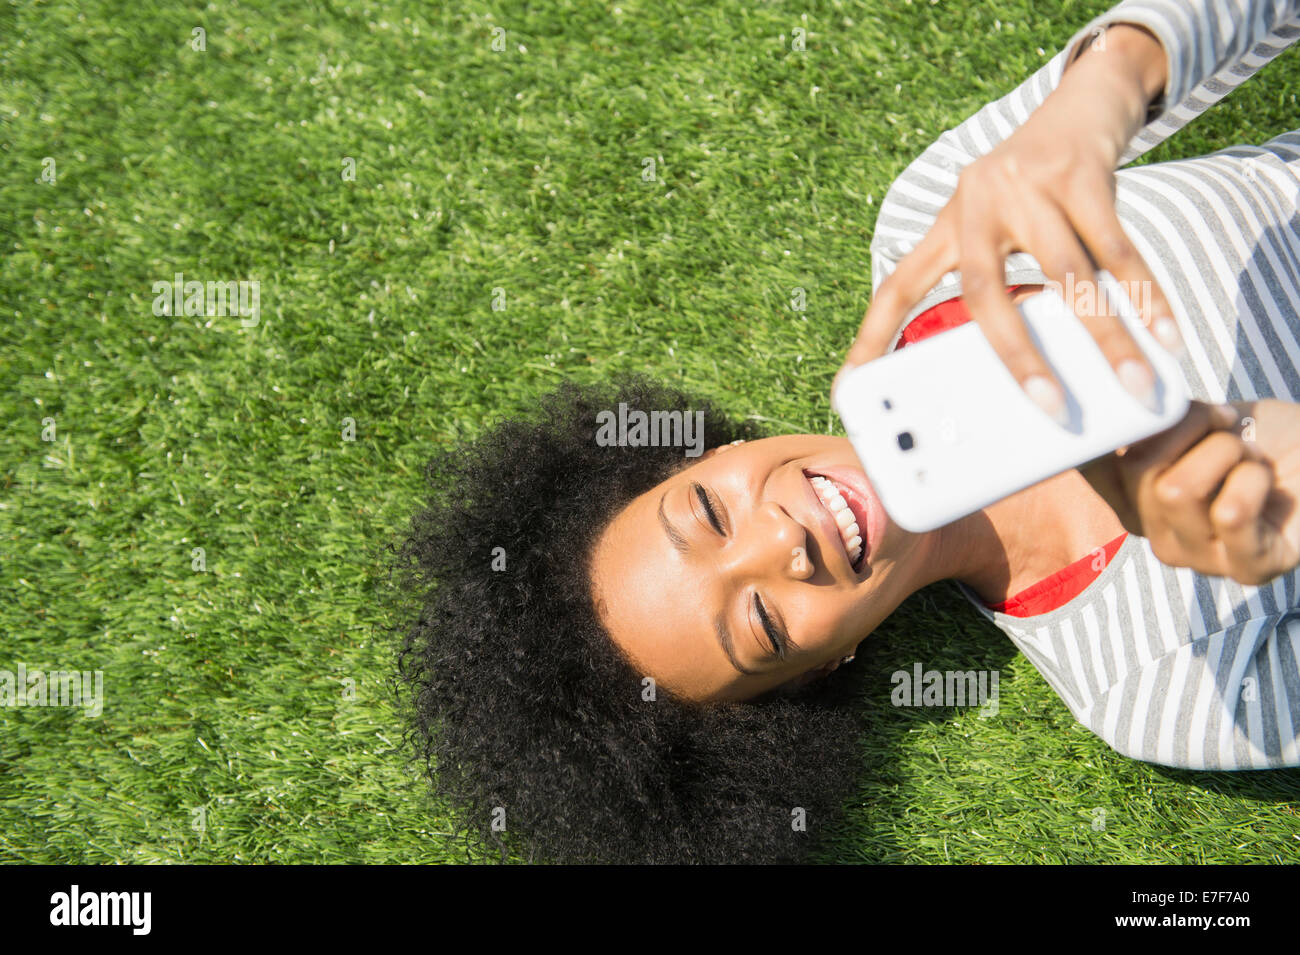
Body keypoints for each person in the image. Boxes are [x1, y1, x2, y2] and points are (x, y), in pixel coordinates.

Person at [393, 0, 1300, 864]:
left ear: (714, 451)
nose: (781, 539)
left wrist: (1109, 83)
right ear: (825, 665)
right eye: (760, 624)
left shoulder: (930, 237)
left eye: (709, 511)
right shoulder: (1155, 685)